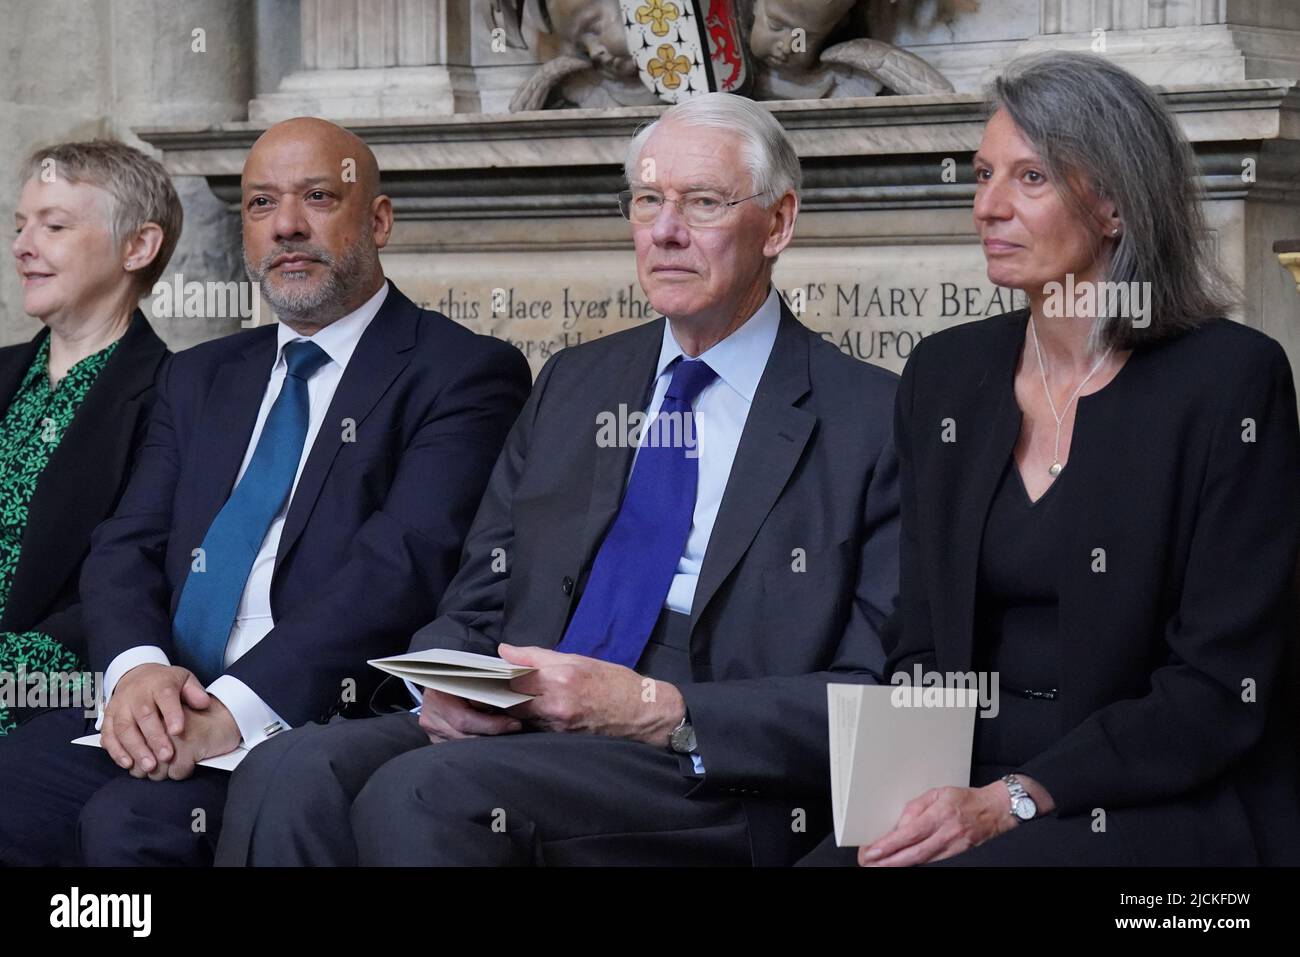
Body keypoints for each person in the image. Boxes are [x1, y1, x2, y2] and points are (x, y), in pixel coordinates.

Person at [216, 92, 900, 867]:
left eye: (702, 202)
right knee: (286, 769)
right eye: (647, 201)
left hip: (707, 760)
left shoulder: (872, 417)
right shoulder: (578, 382)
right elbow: (476, 596)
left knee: (423, 796)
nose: (666, 231)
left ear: (777, 223)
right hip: (530, 706)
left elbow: (876, 698)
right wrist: (443, 686)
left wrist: (658, 707)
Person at [801, 51, 1300, 868]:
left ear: (1113, 205)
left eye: (1030, 179)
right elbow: (920, 643)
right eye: (983, 174)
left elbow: (1216, 690)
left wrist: (1015, 799)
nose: (987, 208)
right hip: (969, 778)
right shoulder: (946, 375)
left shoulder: (1229, 381)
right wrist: (901, 796)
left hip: (1156, 791)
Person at [0, 117, 532, 866]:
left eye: (318, 196)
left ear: (377, 219)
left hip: (303, 714)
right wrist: (137, 669)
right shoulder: (201, 375)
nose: (286, 226)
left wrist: (233, 710)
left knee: (132, 826)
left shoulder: (462, 371)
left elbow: (399, 569)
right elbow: (126, 544)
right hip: (162, 696)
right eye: (259, 205)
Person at [1, 140, 174, 734]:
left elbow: (137, 576)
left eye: (53, 226)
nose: (23, 246)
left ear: (138, 246)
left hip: (54, 692)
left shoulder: (175, 397)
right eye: (21, 226)